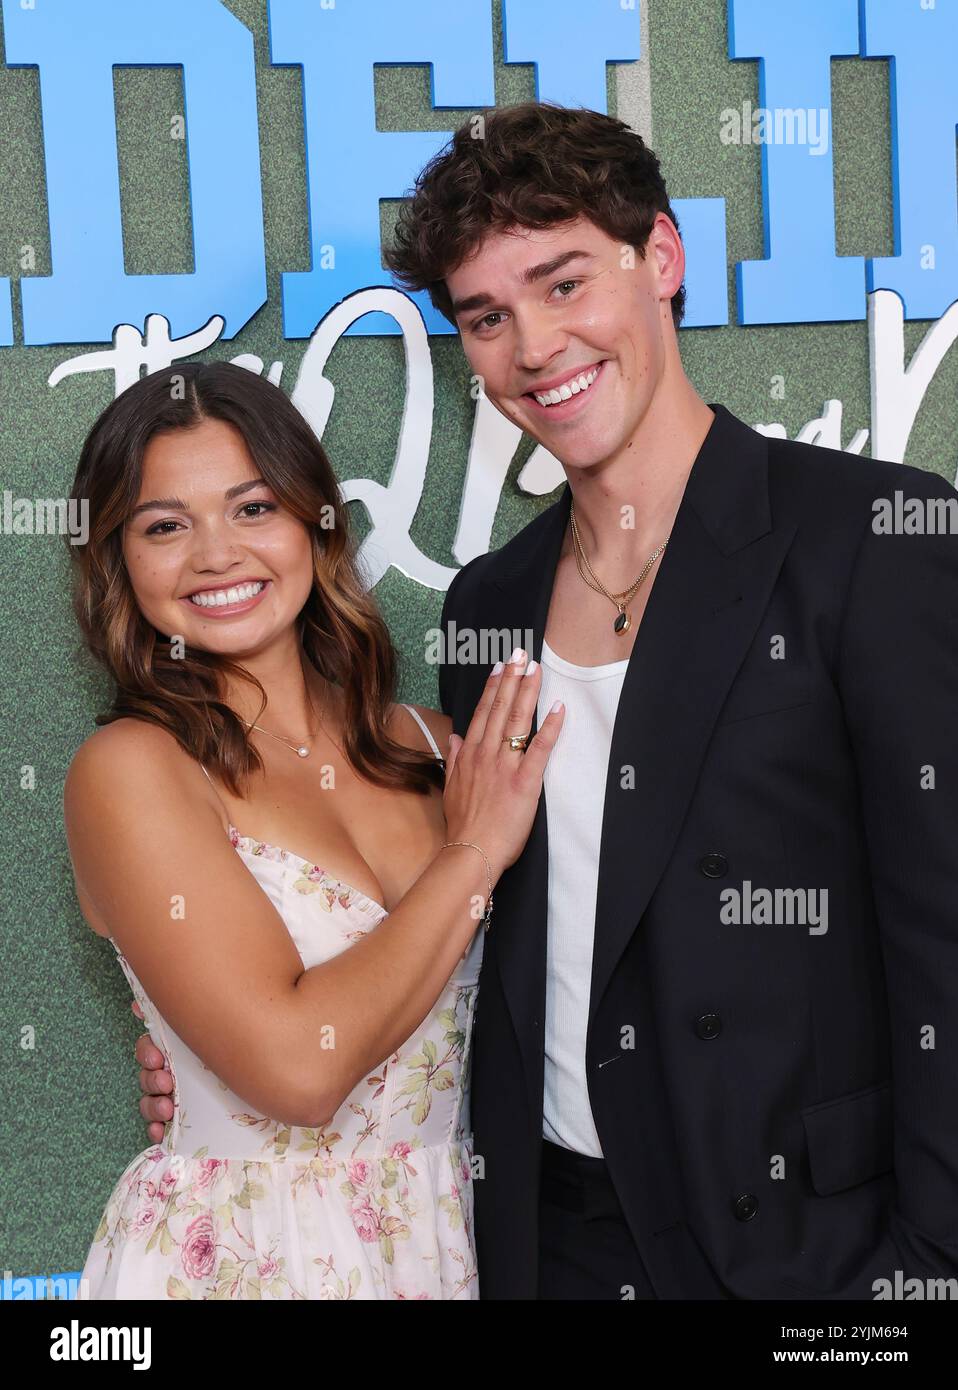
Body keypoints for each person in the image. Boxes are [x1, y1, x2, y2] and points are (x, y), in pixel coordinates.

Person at [138, 101, 958, 1300]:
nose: (533, 348)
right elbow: (483, 924)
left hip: (812, 1249)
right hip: (550, 1239)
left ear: (661, 260)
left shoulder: (867, 537)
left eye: (564, 282)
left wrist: (925, 1276)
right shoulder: (492, 603)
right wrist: (202, 1060)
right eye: (486, 316)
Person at [64, 359, 563, 1299]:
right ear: (118, 563)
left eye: (253, 508)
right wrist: (472, 854)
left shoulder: (440, 746)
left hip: (453, 1240)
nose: (217, 555)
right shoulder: (132, 770)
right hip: (252, 1256)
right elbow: (297, 1071)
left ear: (315, 521)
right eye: (165, 526)